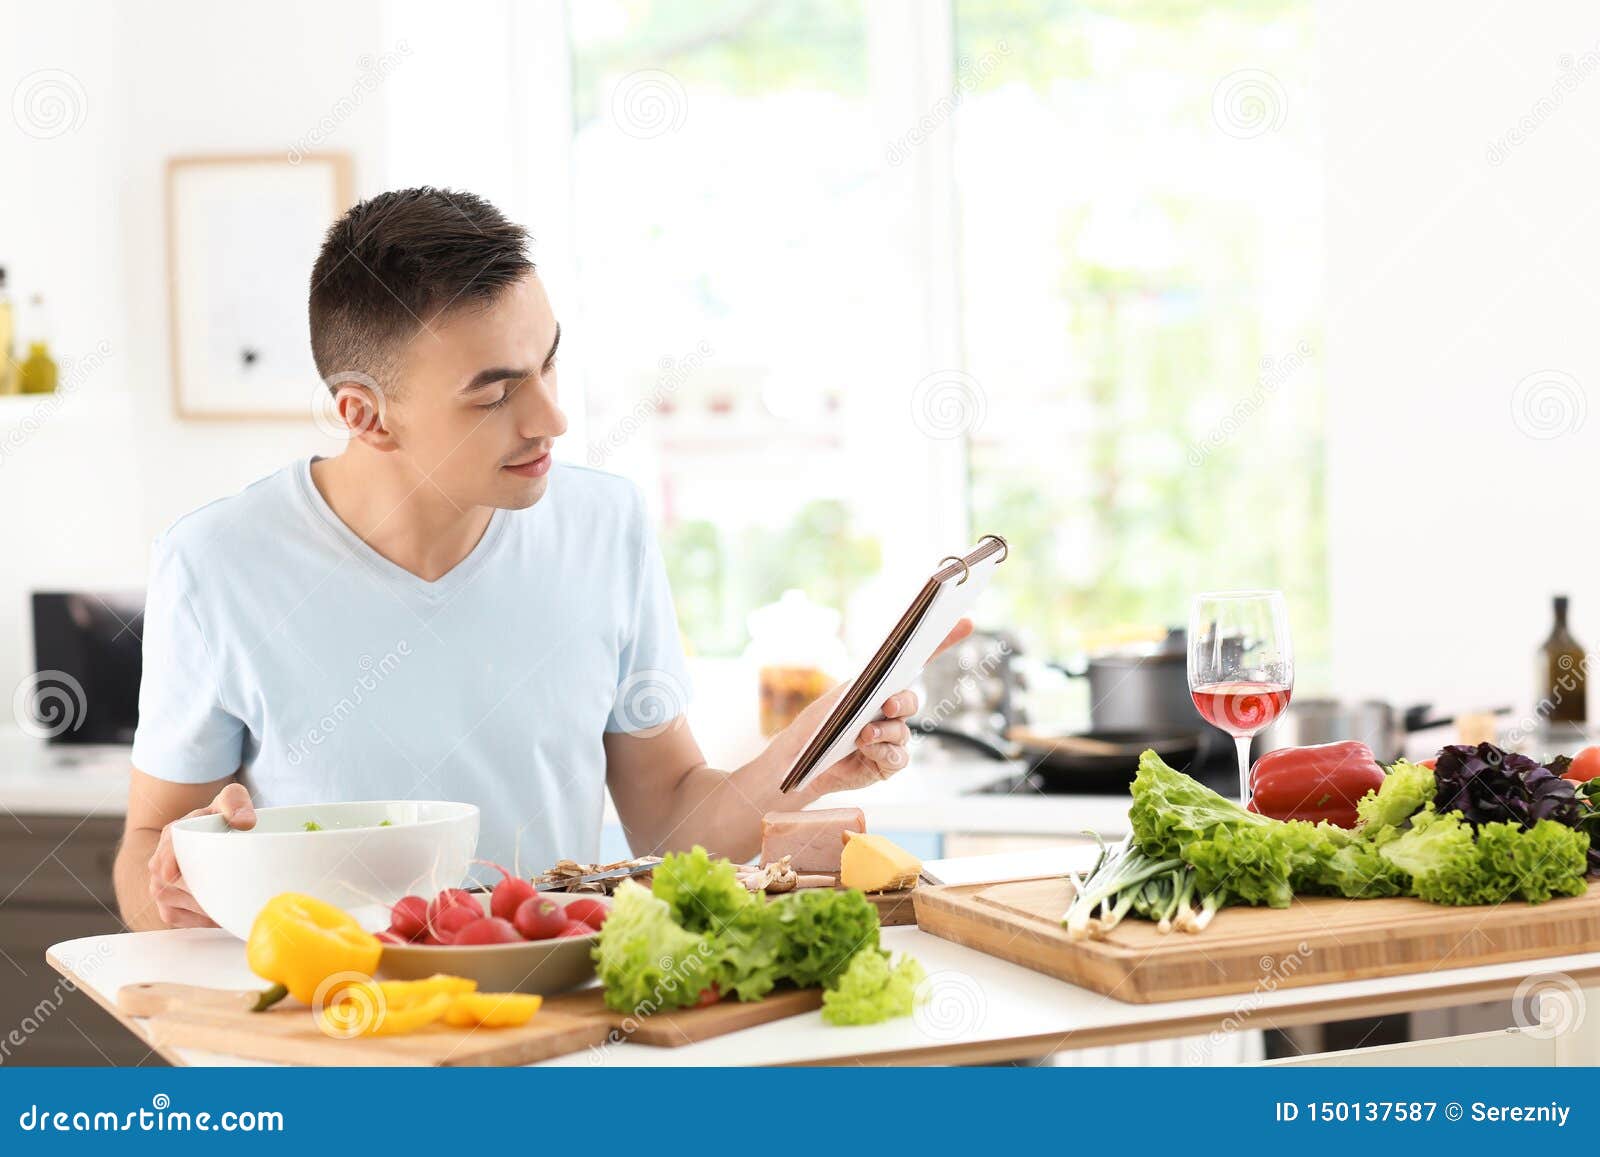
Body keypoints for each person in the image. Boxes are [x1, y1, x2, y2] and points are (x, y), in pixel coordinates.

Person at [114, 187, 971, 931]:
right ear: (366, 415)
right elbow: (144, 860)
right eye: (494, 392)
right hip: (326, 1037)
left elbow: (668, 829)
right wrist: (178, 890)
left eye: (549, 361)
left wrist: (810, 754)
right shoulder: (215, 564)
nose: (551, 418)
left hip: (552, 1028)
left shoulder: (603, 526)